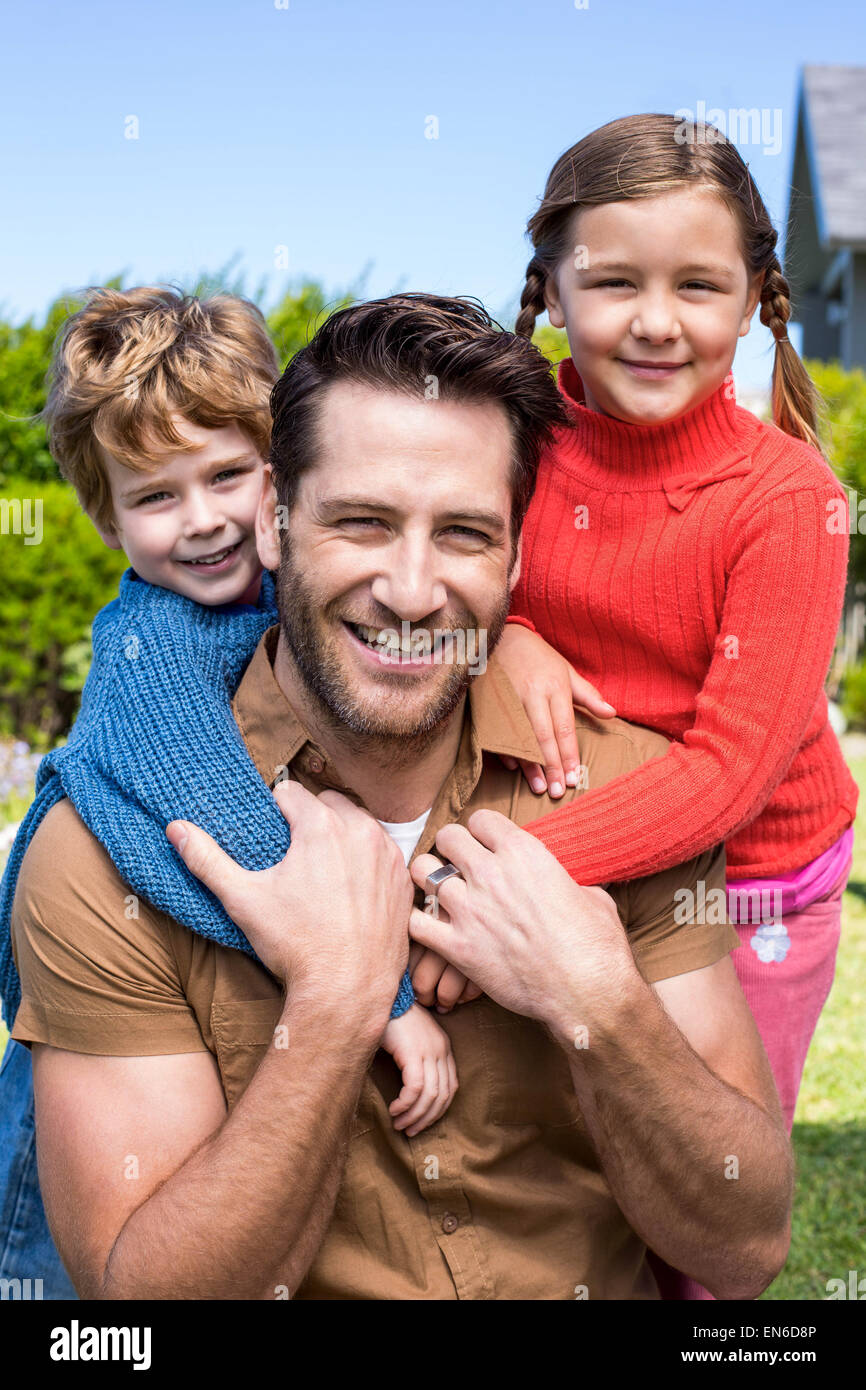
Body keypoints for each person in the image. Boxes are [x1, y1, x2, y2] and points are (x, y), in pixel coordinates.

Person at [9, 293, 793, 1300]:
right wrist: (336, 1006)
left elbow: (742, 1249)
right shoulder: (106, 850)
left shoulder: (627, 788)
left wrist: (598, 999)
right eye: (361, 521)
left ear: (515, 550)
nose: (412, 588)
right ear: (274, 519)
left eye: (464, 533)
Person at [0, 287, 451, 1300]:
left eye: (226, 475)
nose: (200, 520)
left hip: (159, 1028)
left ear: (279, 476)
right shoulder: (155, 642)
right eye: (155, 496)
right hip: (76, 1066)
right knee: (61, 1287)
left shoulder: (273, 592)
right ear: (102, 512)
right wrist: (384, 998)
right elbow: (228, 825)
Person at [489, 113, 857, 1298]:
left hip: (747, 883)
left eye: (698, 285)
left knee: (702, 1188)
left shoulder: (785, 499)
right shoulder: (510, 445)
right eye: (612, 282)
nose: (655, 320)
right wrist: (509, 633)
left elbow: (725, 774)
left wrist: (484, 872)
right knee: (576, 1162)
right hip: (583, 860)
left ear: (753, 300)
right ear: (549, 286)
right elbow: (429, 567)